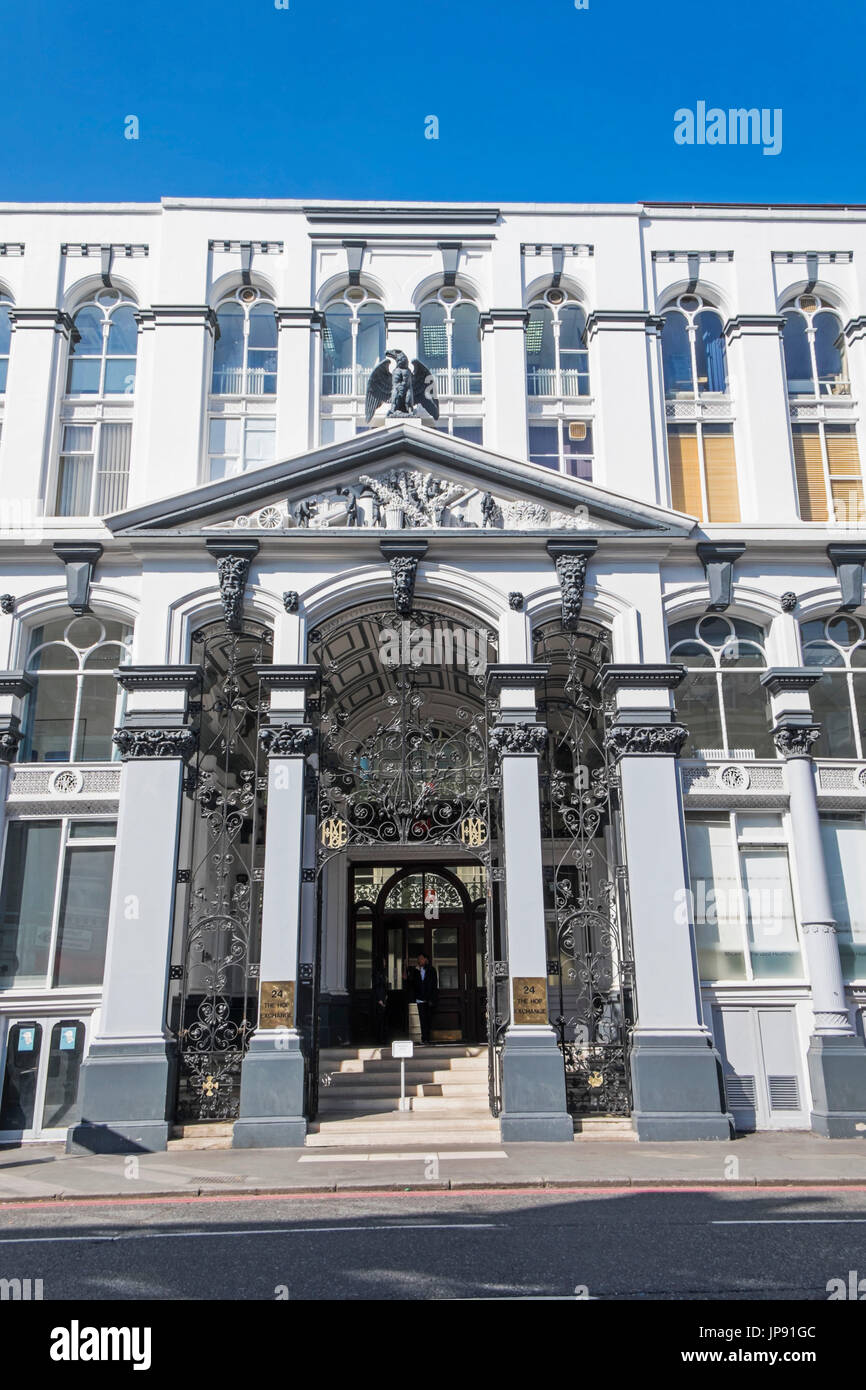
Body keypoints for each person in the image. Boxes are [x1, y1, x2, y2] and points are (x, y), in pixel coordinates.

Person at [406, 952, 438, 1045]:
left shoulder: (431, 970)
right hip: (420, 998)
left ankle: (428, 1038)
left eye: (421, 958)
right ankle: (424, 1038)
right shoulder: (416, 971)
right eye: (418, 959)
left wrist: (432, 998)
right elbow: (412, 983)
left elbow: (434, 985)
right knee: (422, 1019)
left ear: (425, 960)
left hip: (429, 999)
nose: (419, 961)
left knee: (428, 1019)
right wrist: (414, 971)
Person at [371, 957, 388, 1045]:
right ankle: (379, 1039)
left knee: (382, 1020)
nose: (385, 963)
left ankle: (382, 1038)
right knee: (379, 1020)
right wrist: (380, 999)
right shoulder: (377, 974)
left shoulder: (382, 973)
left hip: (383, 998)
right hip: (379, 1000)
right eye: (384, 961)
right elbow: (377, 987)